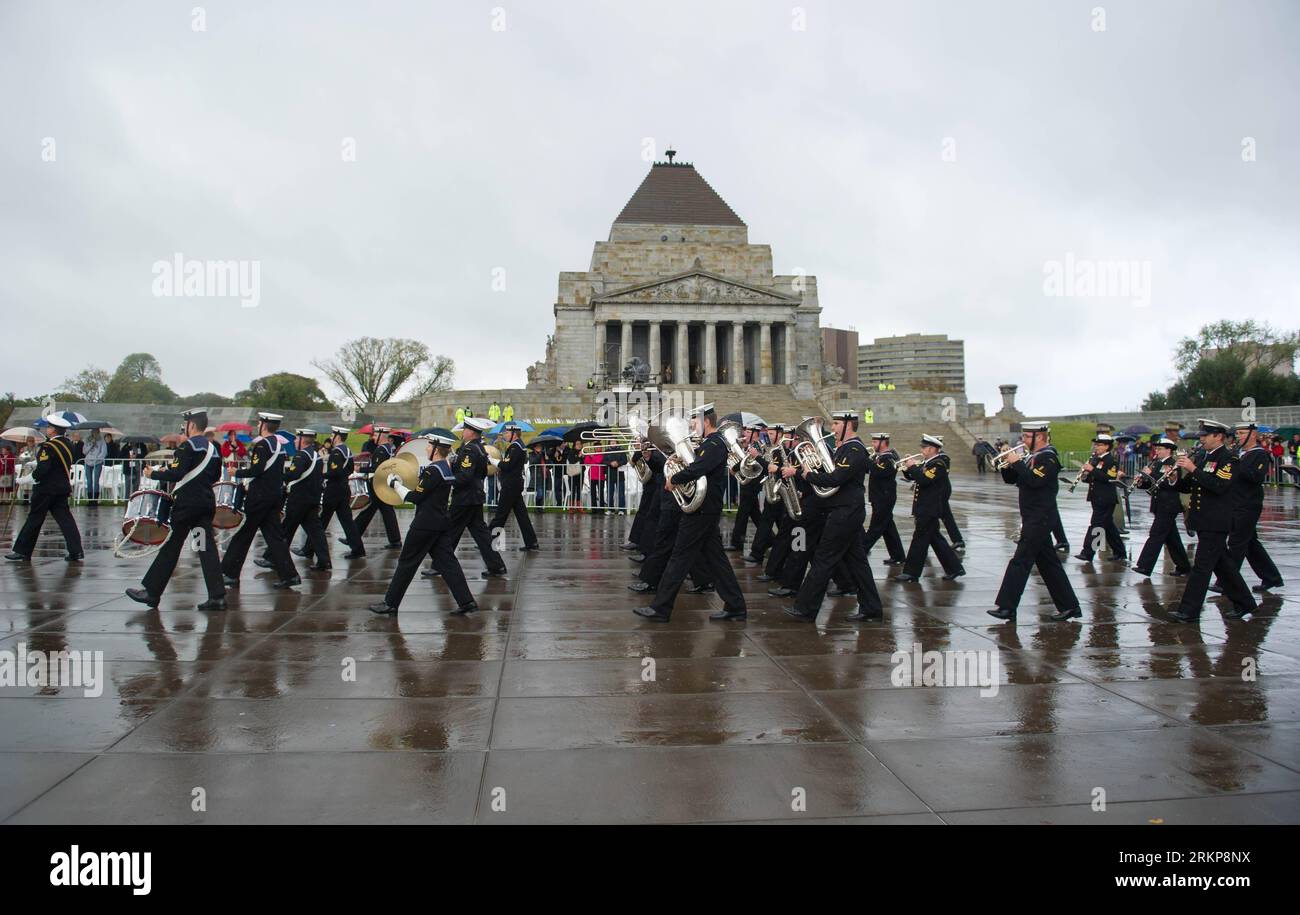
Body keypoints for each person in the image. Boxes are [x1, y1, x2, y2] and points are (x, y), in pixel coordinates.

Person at [634, 404, 746, 622]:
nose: (692, 426)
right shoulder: (709, 444)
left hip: (702, 509)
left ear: (706, 421)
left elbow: (697, 469)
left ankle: (660, 608)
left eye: (695, 421)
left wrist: (675, 479)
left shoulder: (715, 443)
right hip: (704, 509)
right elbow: (696, 464)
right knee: (717, 560)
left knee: (679, 558)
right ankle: (736, 606)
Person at [782, 411, 883, 623]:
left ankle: (806, 609)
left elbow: (836, 478)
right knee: (858, 563)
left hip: (845, 512)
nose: (833, 428)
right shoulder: (844, 449)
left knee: (823, 559)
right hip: (844, 510)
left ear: (849, 425)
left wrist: (807, 474)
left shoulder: (854, 449)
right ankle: (872, 608)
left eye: (836, 423)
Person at [126, 408, 226, 610]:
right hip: (204, 505)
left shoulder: (187, 446)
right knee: (206, 549)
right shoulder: (213, 448)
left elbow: (177, 473)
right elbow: (215, 476)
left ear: (191, 425)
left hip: (187, 507)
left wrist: (153, 474)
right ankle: (217, 596)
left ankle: (152, 593)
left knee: (171, 547)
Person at [368, 434, 477, 615]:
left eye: (429, 446)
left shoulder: (433, 471)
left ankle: (390, 603)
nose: (426, 449)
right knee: (449, 564)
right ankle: (466, 601)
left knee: (406, 562)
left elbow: (416, 497)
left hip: (425, 524)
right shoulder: (445, 468)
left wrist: (395, 485)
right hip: (439, 523)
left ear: (436, 450)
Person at [988, 422, 1081, 622]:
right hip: (1032, 516)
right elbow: (1012, 479)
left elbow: (1033, 480)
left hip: (1040, 517)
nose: (1023, 440)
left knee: (1019, 562)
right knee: (1049, 565)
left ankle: (1007, 607)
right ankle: (1070, 606)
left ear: (1039, 437)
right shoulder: (1032, 457)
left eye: (1027, 436)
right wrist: (1007, 464)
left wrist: (1017, 462)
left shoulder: (1049, 458)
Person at [1169, 420, 1256, 622]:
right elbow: (1188, 487)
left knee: (1201, 568)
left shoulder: (1229, 458)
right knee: (1223, 565)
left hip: (1217, 521)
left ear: (1218, 436)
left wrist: (1193, 469)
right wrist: (1175, 478)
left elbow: (1219, 486)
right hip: (1203, 520)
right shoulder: (1203, 457)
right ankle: (1245, 602)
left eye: (1205, 435)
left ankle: (1188, 611)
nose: (1201, 439)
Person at [219, 412, 300, 589]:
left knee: (243, 535)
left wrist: (236, 473)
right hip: (273, 496)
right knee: (275, 538)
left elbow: (256, 469)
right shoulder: (279, 446)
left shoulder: (263, 445)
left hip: (260, 497)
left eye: (259, 422)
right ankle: (290, 575)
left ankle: (230, 573)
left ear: (264, 425)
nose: (258, 425)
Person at [1210, 422, 1283, 595]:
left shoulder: (1260, 455)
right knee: (1250, 544)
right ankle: (1272, 577)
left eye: (1242, 433)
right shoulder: (1239, 454)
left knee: (1236, 543)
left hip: (1248, 504)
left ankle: (1226, 581)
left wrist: (1236, 462)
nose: (1239, 436)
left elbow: (1255, 477)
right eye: (1238, 433)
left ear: (1252, 435)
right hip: (1235, 503)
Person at [6, 415, 83, 562]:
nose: (47, 429)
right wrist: (35, 463)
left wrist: (23, 480)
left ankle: (22, 551)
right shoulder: (68, 444)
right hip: (61, 488)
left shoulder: (48, 447)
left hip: (46, 489)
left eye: (49, 427)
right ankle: (76, 551)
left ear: (53, 430)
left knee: (34, 519)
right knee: (66, 521)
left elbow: (43, 470)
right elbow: (56, 464)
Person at [259, 429, 331, 573]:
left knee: (285, 530)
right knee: (316, 532)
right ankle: (324, 560)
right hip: (312, 498)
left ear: (303, 440)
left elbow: (294, 474)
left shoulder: (301, 456)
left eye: (297, 439)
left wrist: (278, 477)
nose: (295, 441)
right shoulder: (315, 455)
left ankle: (272, 558)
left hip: (299, 499)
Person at [445, 416, 508, 577]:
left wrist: (448, 479)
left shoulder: (469, 450)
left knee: (450, 531)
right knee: (482, 535)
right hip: (474, 496)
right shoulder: (478, 447)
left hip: (465, 498)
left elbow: (465, 476)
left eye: (465, 429)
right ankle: (496, 565)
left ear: (472, 432)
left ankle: (441, 564)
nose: (463, 432)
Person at [897, 435, 964, 582]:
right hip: (925, 508)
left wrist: (913, 466)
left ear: (933, 449)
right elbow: (914, 476)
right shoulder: (928, 462)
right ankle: (954, 568)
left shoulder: (938, 464)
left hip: (929, 508)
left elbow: (924, 479)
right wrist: (907, 468)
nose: (921, 450)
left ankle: (911, 573)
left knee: (919, 542)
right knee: (937, 541)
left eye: (924, 447)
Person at [1129, 437, 1191, 579]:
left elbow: (1170, 483)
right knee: (1171, 538)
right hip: (1159, 504)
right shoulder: (1157, 464)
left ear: (1169, 450)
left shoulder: (1173, 464)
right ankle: (1184, 567)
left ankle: (1145, 566)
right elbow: (1151, 484)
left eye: (1160, 449)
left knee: (1156, 535)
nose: (1157, 451)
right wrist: (1140, 481)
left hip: (1169, 505)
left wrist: (1151, 474)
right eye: (1156, 448)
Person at [1075, 433, 1127, 564]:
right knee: (1108, 526)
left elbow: (1108, 478)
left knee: (1096, 526)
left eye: (1099, 445)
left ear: (1107, 446)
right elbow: (1093, 478)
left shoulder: (1111, 460)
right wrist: (1085, 475)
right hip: (1096, 496)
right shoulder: (1096, 459)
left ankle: (1088, 553)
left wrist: (1092, 470)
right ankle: (1120, 552)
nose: (1096, 447)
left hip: (1105, 498)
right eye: (1096, 444)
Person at [315, 425, 365, 561]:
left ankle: (309, 549)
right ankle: (358, 549)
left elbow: (334, 472)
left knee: (322, 521)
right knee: (347, 521)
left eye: (332, 435)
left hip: (334, 490)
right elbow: (348, 469)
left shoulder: (337, 452)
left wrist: (322, 474)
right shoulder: (346, 450)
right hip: (343, 488)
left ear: (337, 436)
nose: (331, 437)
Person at [488, 422, 540, 551]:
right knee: (522, 516)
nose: (505, 434)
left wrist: (492, 460)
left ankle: (487, 540)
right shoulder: (518, 446)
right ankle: (531, 542)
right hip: (514, 485)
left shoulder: (515, 447)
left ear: (514, 434)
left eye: (507, 432)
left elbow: (507, 466)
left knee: (500, 515)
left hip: (511, 486)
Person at [353, 427, 402, 548]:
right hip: (382, 484)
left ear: (381, 436)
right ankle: (395, 540)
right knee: (387, 512)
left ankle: (353, 536)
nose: (373, 438)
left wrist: (361, 469)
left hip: (378, 484)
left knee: (370, 510)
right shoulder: (388, 448)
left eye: (375, 435)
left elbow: (377, 468)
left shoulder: (381, 450)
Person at [863, 432, 907, 565]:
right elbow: (869, 469)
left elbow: (878, 471)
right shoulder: (880, 457)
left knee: (875, 528)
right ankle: (898, 555)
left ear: (883, 443)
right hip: (879, 496)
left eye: (875, 442)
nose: (873, 444)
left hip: (884, 498)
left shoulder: (889, 458)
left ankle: (861, 550)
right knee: (888, 528)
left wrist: (867, 459)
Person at [727, 424, 766, 553]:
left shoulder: (756, 445)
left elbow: (746, 461)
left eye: (749, 431)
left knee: (742, 514)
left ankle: (736, 542)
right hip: (749, 483)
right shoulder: (751, 445)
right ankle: (769, 538)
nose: (746, 433)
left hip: (752, 483)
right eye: (746, 430)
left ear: (755, 433)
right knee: (755, 515)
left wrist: (734, 468)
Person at [84, 430, 107, 503]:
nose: (94, 433)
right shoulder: (87, 440)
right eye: (93, 432)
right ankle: (90, 499)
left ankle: (95, 499)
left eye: (96, 432)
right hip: (88, 462)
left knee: (96, 481)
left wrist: (97, 459)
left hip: (97, 462)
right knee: (89, 481)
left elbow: (104, 452)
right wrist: (91, 444)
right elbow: (84, 451)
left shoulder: (102, 441)